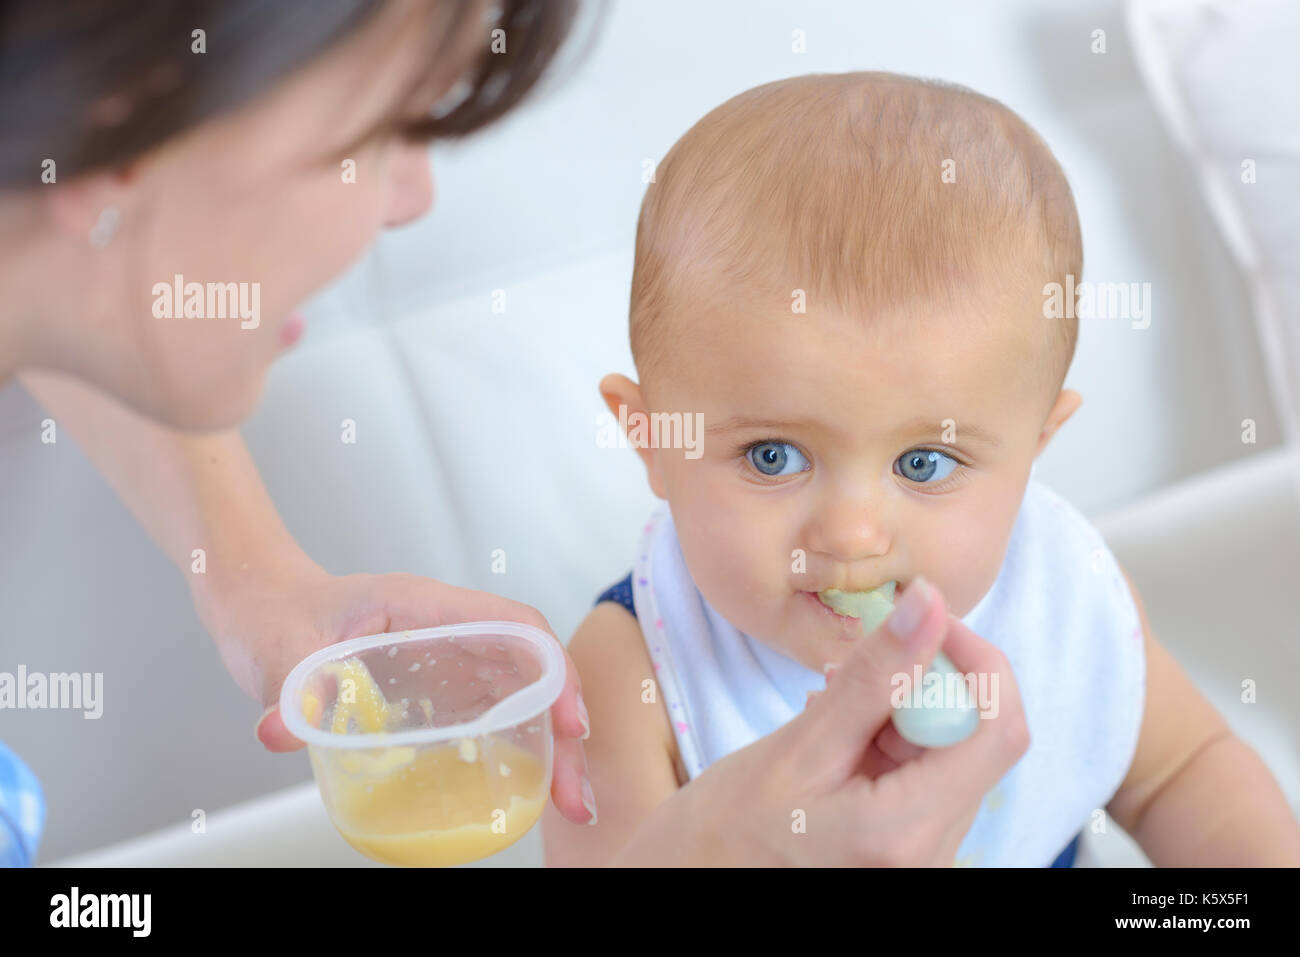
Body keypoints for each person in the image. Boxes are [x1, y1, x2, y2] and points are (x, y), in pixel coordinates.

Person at [0, 2, 1033, 868]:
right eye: (380, 135)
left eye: (924, 462)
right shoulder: (636, 666)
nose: (411, 198)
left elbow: (78, 288)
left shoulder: (1051, 591)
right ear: (126, 125)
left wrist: (258, 584)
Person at [543, 73, 1300, 866]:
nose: (852, 532)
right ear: (654, 438)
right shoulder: (625, 678)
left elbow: (1183, 773)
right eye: (774, 456)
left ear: (1036, 445)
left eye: (925, 461)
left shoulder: (1067, 596)